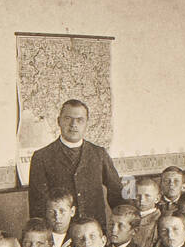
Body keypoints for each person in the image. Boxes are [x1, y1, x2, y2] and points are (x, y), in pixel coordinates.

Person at [27, 97, 124, 227]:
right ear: (58, 121)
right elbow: (37, 205)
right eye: (68, 119)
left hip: (94, 232)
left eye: (80, 120)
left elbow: (118, 190)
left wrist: (130, 212)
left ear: (86, 124)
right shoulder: (41, 157)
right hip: (60, 234)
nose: (73, 125)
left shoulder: (99, 154)